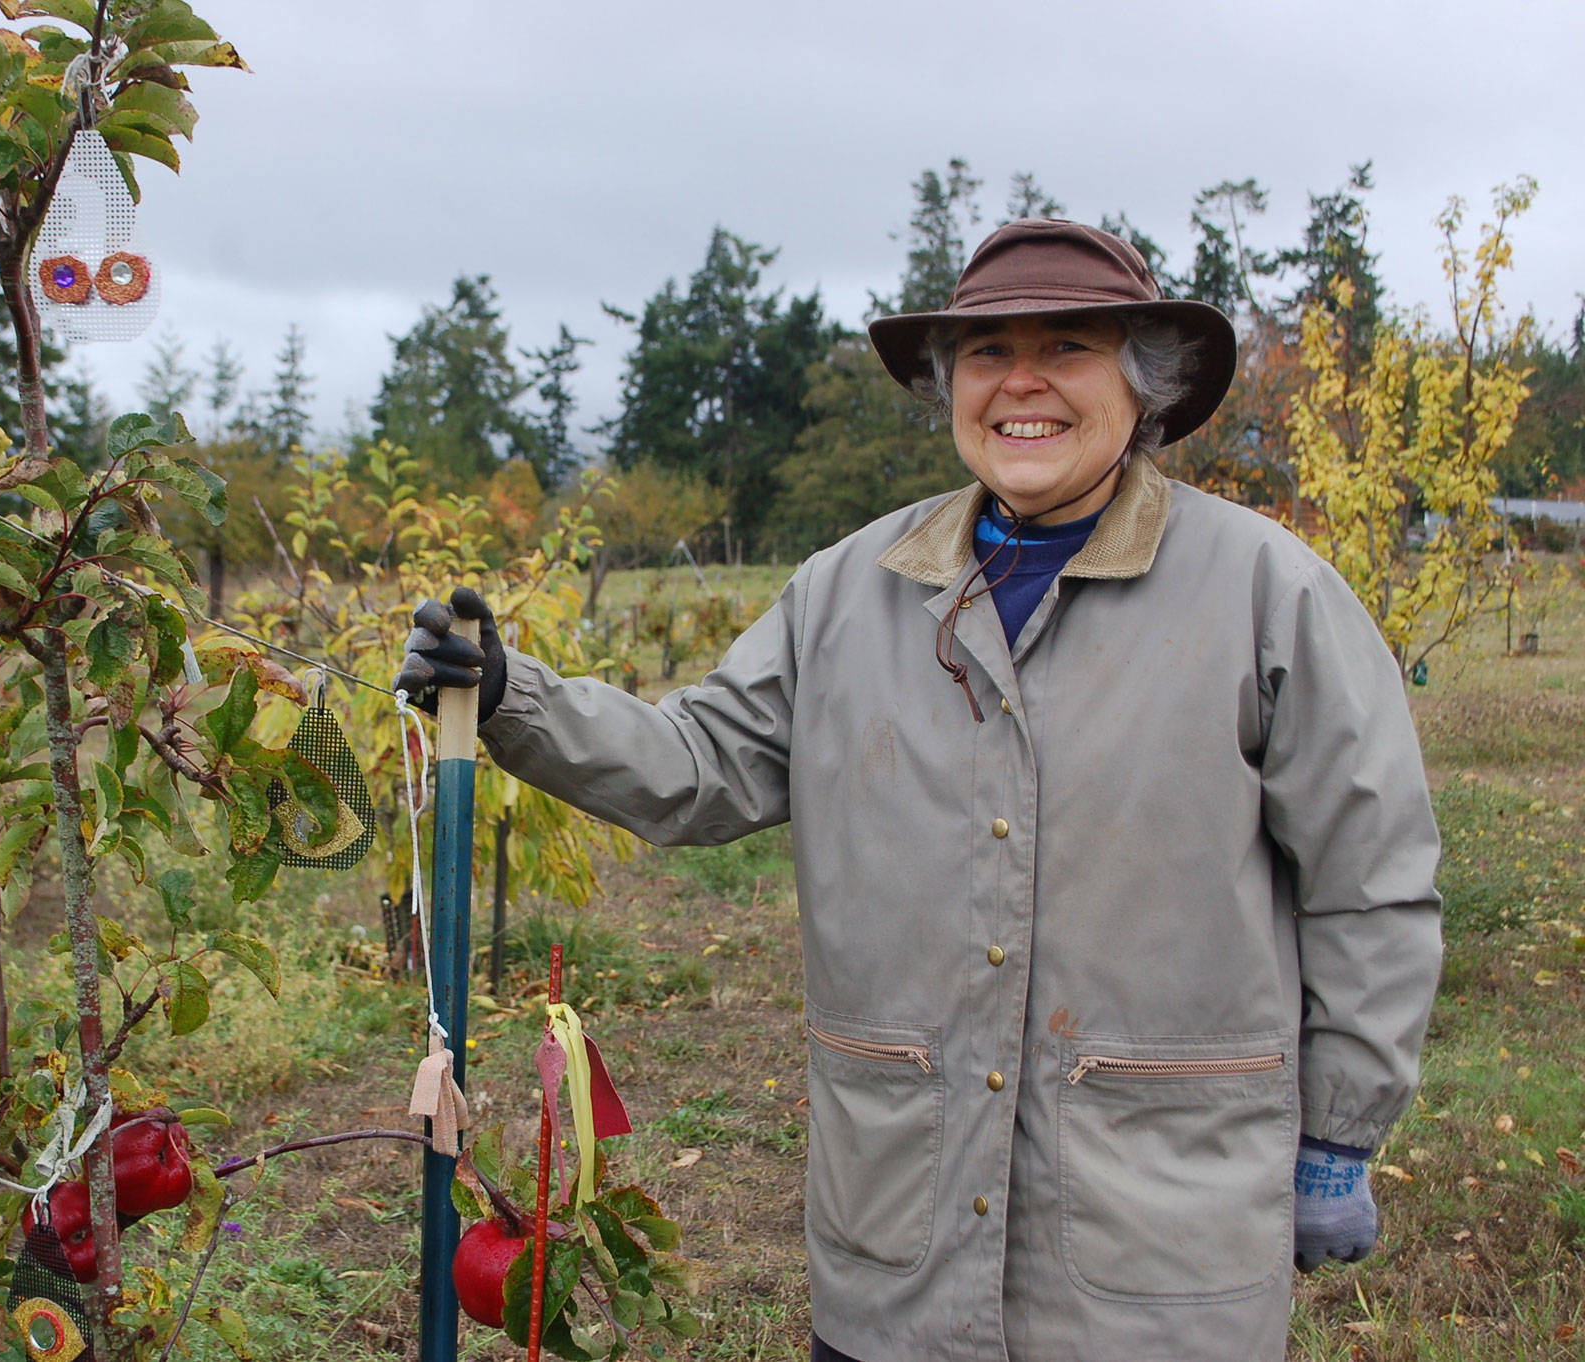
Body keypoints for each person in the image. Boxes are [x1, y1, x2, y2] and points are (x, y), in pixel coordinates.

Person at [396, 220, 1442, 1362]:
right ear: (950, 388)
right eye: (986, 352)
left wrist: (1338, 1134)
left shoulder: (1263, 591)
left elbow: (1369, 878)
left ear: (1141, 387)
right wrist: (512, 698)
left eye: (1068, 347)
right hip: (898, 1244)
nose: (1021, 382)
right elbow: (698, 765)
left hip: (1158, 1252)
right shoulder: (846, 591)